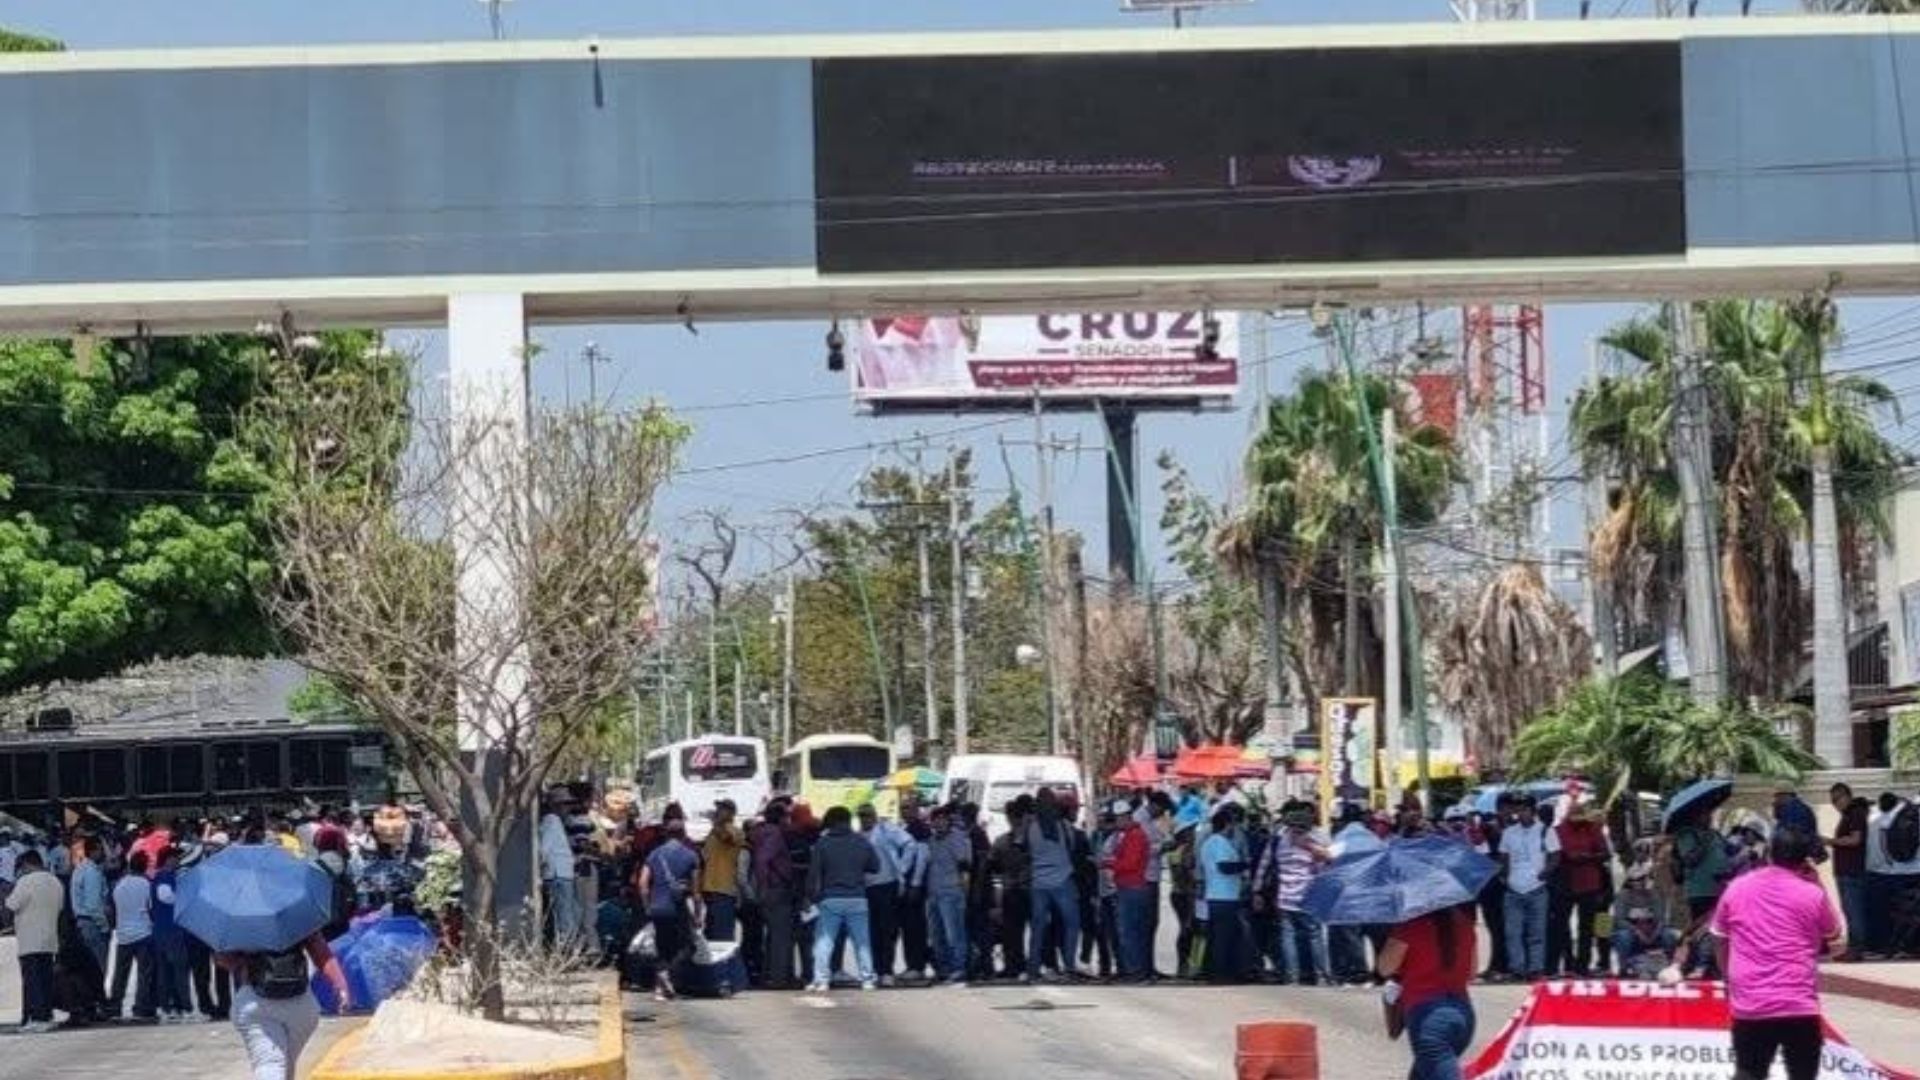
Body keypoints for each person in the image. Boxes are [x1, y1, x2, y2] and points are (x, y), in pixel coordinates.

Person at [1710, 826, 1842, 1080]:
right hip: (1798, 1004)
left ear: (1769, 853)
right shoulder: (1812, 894)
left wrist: (1728, 977)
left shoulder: (1737, 888)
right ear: (1804, 859)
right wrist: (1816, 882)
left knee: (1748, 1072)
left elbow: (1719, 939)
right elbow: (1834, 932)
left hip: (1751, 1003)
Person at [218, 931, 350, 1080]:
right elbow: (320, 951)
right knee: (285, 1064)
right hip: (300, 1005)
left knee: (270, 1063)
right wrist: (340, 984)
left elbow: (223, 960)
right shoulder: (297, 919)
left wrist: (245, 959)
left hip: (254, 1002)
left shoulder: (237, 923)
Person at [1379, 903, 1477, 1080]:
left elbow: (1385, 968)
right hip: (1462, 1011)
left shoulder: (1410, 926)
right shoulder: (1464, 923)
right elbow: (1471, 972)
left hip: (1427, 1016)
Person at [1256, 801, 1331, 987]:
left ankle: (1292, 977)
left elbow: (1264, 865)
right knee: (1314, 935)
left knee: (1288, 937)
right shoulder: (1312, 844)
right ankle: (1321, 976)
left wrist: (1257, 890)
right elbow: (1323, 868)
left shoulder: (1278, 841)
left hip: (1284, 897)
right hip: (1309, 896)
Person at [807, 805, 880, 992]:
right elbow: (875, 867)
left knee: (824, 941)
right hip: (857, 898)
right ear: (848, 821)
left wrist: (811, 896)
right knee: (862, 941)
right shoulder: (861, 841)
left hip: (830, 898)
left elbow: (814, 874)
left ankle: (821, 980)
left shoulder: (823, 843)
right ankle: (867, 979)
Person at [638, 818, 702, 1001]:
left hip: (657, 907)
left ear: (666, 834)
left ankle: (660, 991)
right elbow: (696, 892)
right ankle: (666, 973)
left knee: (662, 947)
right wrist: (697, 915)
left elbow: (643, 884)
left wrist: (647, 907)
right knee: (688, 946)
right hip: (677, 908)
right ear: (684, 834)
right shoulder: (691, 856)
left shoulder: (654, 854)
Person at [1023, 788, 1083, 981]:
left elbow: (1027, 851)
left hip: (1039, 882)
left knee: (1038, 927)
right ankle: (1069, 965)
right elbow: (1072, 848)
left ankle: (1033, 967)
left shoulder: (1031, 827)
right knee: (1072, 923)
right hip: (1062, 879)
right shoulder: (1064, 826)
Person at [1496, 796, 1558, 981]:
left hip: (1537, 887)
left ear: (1533, 811)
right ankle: (1517, 968)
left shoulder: (1545, 830)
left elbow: (1555, 855)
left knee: (1536, 932)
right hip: (1514, 888)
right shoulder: (1509, 832)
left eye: (1524, 809)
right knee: (1512, 932)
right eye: (1518, 810)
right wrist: (1505, 876)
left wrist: (1544, 873)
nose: (1520, 813)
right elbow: (1503, 856)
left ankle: (1536, 969)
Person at [1551, 803, 1612, 976]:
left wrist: (1589, 857)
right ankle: (1569, 963)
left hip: (1596, 885)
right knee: (1563, 926)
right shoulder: (1559, 831)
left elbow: (1606, 854)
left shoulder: (1595, 830)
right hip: (1567, 883)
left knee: (1594, 927)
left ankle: (1594, 963)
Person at [7, 850, 63, 1033]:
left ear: (26, 865)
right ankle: (46, 1015)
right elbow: (60, 907)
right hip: (49, 939)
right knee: (46, 980)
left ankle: (36, 1018)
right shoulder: (55, 881)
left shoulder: (25, 881)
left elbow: (12, 904)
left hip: (29, 940)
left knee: (32, 981)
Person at [857, 802, 911, 985]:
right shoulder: (858, 836)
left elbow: (909, 844)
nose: (865, 819)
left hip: (887, 885)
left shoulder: (886, 830)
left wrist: (902, 868)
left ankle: (887, 970)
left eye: (867, 815)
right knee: (871, 931)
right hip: (866, 888)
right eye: (861, 815)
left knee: (887, 930)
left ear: (874, 815)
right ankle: (875, 969)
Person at [749, 801, 800, 989]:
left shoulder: (760, 832)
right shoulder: (774, 834)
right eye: (786, 816)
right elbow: (763, 859)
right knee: (781, 936)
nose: (789, 820)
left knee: (773, 936)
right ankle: (779, 978)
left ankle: (770, 975)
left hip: (770, 889)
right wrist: (764, 885)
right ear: (780, 817)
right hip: (776, 889)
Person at [924, 805, 972, 986]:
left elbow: (965, 868)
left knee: (955, 934)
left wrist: (964, 893)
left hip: (952, 892)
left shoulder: (957, 838)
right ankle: (943, 970)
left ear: (947, 821)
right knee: (937, 936)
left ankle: (958, 969)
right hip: (934, 894)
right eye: (935, 820)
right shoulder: (932, 841)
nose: (938, 823)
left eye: (942, 819)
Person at [1201, 806, 1249, 983]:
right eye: (1233, 825)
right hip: (1225, 897)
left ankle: (1214, 972)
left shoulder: (1208, 843)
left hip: (1214, 896)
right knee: (1224, 938)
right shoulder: (1220, 842)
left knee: (1216, 937)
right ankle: (1221, 974)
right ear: (1228, 825)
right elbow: (1224, 866)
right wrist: (1245, 865)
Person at [110, 849, 159, 1021]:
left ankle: (115, 1007)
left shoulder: (119, 885)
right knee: (144, 974)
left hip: (123, 934)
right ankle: (142, 1008)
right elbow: (151, 908)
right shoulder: (147, 885)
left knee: (120, 974)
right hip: (143, 933)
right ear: (144, 867)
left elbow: (113, 907)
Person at [1107, 799, 1154, 981]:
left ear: (1124, 817)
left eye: (1116, 819)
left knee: (1129, 932)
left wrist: (1108, 863)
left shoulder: (1134, 836)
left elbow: (1130, 864)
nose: (1115, 823)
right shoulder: (1131, 835)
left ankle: (1135, 971)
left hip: (1132, 888)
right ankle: (1138, 970)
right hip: (1132, 888)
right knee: (1134, 931)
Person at [989, 796, 1035, 978]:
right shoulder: (1034, 839)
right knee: (1030, 930)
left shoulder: (1002, 841)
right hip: (1027, 888)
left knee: (1013, 932)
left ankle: (1015, 966)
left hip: (1015, 889)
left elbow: (992, 866)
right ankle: (1032, 965)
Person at [152, 847, 197, 1022]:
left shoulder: (160, 876)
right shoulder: (165, 877)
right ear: (168, 859)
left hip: (161, 930)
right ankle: (185, 1007)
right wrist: (183, 897)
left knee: (165, 971)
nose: (178, 860)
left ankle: (168, 1007)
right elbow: (166, 897)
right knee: (179, 970)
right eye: (175, 857)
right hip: (171, 930)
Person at [1828, 782, 1872, 961]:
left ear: (1847, 796)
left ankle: (1856, 949)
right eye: (1832, 801)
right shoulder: (1849, 815)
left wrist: (1830, 841)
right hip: (1845, 870)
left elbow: (1855, 840)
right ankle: (1853, 948)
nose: (1835, 804)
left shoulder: (1855, 814)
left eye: (1837, 799)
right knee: (1849, 910)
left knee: (1854, 911)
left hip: (1851, 871)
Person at [698, 799, 746, 943]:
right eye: (718, 808)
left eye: (722, 809)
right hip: (710, 889)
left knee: (722, 937)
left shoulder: (735, 831)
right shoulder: (713, 833)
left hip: (724, 889)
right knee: (711, 934)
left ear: (731, 813)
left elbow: (726, 837)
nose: (718, 811)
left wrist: (715, 822)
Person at [1673, 805, 1731, 924]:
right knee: (1701, 927)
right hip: (1700, 892)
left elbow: (1728, 852)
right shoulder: (1687, 834)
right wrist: (1705, 842)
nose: (1709, 817)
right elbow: (1690, 861)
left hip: (1720, 889)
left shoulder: (1715, 833)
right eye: (1704, 814)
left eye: (1709, 813)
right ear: (1695, 816)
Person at [538, 792, 582, 948]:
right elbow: (544, 849)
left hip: (562, 874)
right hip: (558, 874)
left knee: (570, 914)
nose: (568, 808)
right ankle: (567, 950)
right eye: (565, 804)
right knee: (565, 916)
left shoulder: (555, 822)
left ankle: (568, 948)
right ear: (555, 806)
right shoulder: (552, 820)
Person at [69, 837, 111, 986]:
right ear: (93, 851)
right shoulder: (92, 872)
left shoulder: (79, 869)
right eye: (100, 850)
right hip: (93, 924)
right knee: (98, 967)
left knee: (87, 968)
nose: (103, 853)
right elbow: (94, 905)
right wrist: (104, 926)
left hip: (82, 923)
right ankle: (97, 996)